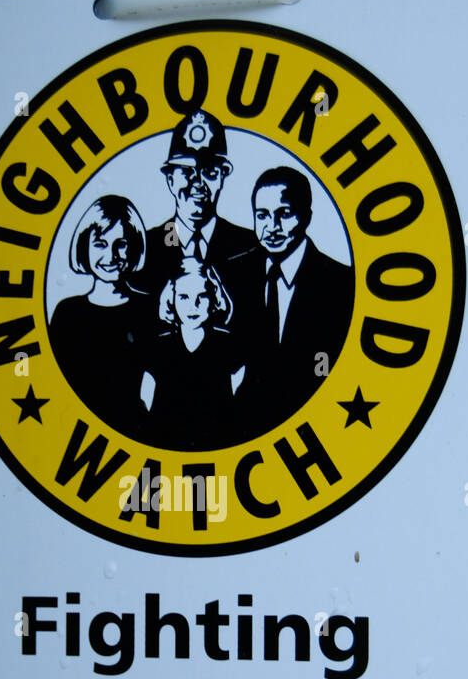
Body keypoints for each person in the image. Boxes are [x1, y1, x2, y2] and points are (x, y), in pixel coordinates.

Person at [227, 166, 354, 433]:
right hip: (241, 429)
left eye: (284, 214)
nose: (272, 227)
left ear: (306, 217)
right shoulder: (232, 274)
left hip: (315, 427)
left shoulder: (341, 283)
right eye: (262, 216)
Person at [49, 195, 153, 435]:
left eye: (121, 244)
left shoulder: (148, 309)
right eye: (100, 244)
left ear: (135, 245)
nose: (110, 257)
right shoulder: (67, 313)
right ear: (84, 246)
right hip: (72, 430)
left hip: (134, 431)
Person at [135, 110, 257, 299]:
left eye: (209, 172)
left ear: (222, 177)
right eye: (186, 172)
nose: (198, 183)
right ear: (170, 180)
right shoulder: (146, 249)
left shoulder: (250, 246)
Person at [138, 259, 245, 450]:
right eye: (184, 297)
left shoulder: (228, 345)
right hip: (166, 444)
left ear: (214, 298)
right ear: (172, 299)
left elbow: (237, 395)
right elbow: (147, 399)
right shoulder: (159, 347)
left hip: (220, 444)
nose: (193, 306)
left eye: (202, 296)